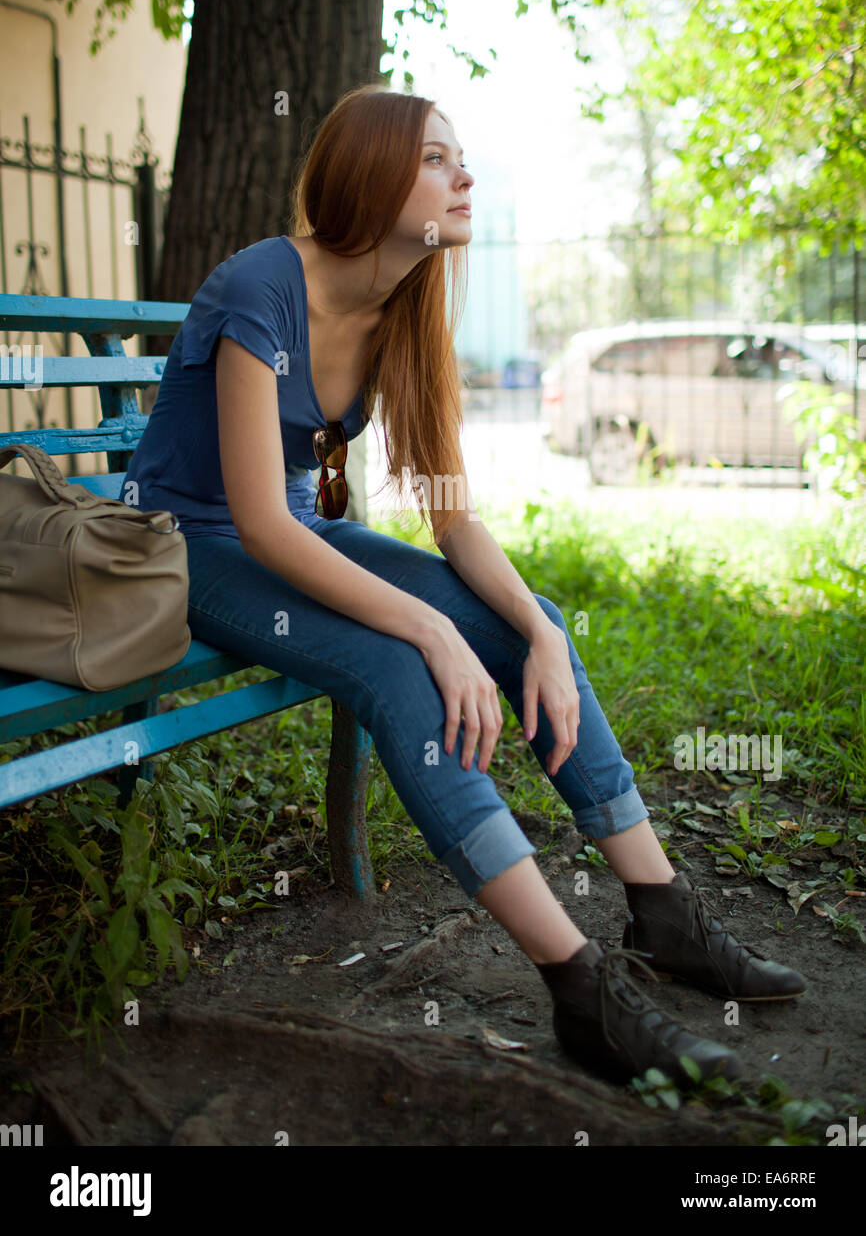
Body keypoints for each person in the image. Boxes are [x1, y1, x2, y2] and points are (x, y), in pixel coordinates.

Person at [123, 83, 806, 1091]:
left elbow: (452, 516)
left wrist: (530, 629)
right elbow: (260, 523)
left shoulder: (408, 304)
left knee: (525, 619)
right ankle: (580, 990)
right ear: (368, 169)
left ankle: (661, 913)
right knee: (402, 671)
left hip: (294, 535)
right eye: (437, 156)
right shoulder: (260, 284)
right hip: (193, 545)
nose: (464, 175)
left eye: (460, 156)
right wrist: (429, 634)